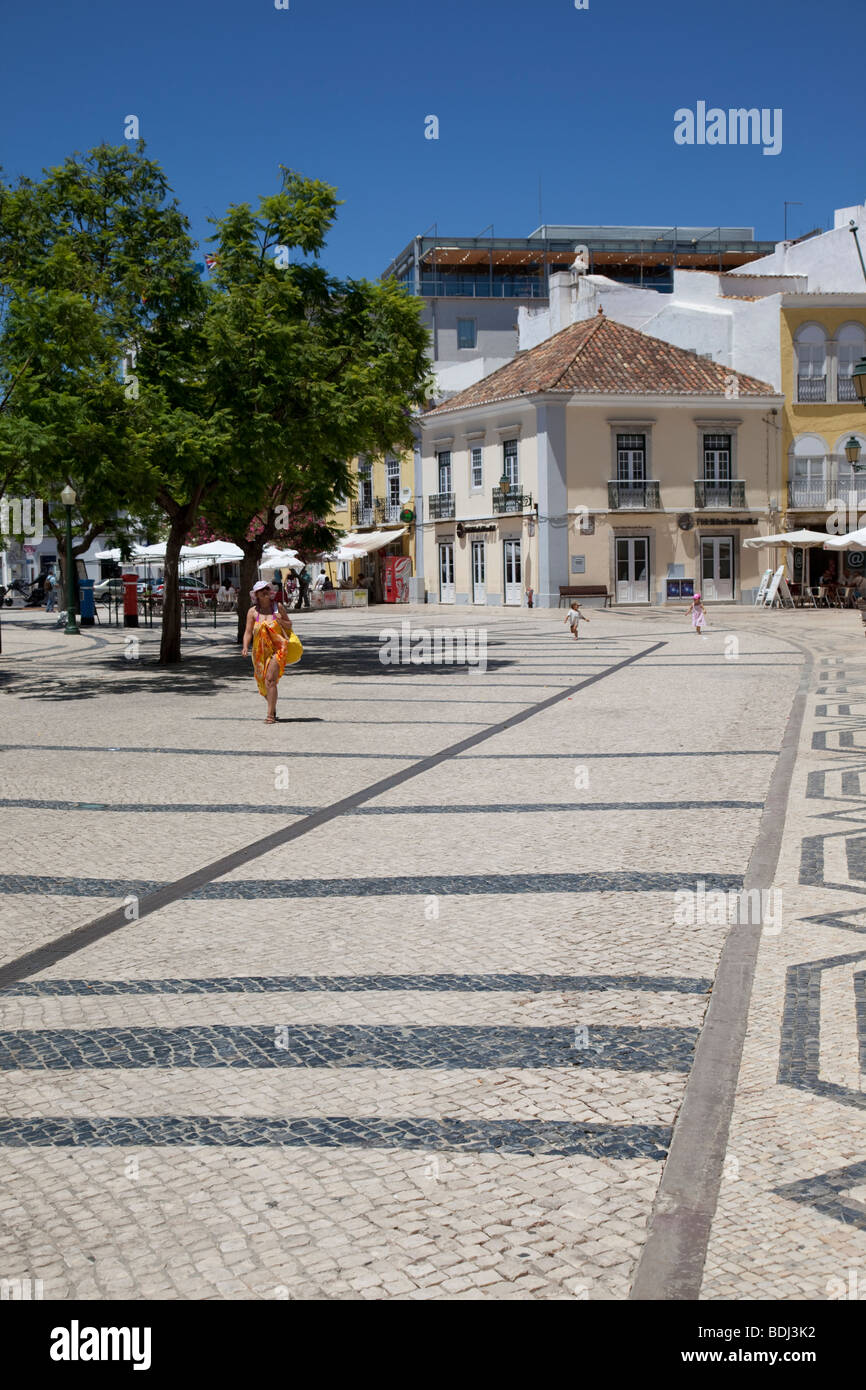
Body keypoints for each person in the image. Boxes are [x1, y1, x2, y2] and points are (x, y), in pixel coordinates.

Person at [241, 580, 302, 724]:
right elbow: (248, 632)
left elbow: (289, 624)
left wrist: (280, 621)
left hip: (277, 649)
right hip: (259, 651)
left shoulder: (277, 607)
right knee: (262, 683)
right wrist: (245, 646)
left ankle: (270, 716)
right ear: (256, 594)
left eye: (267, 588)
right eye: (261, 589)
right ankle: (272, 706)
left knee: (270, 680)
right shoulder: (252, 611)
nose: (265, 591)